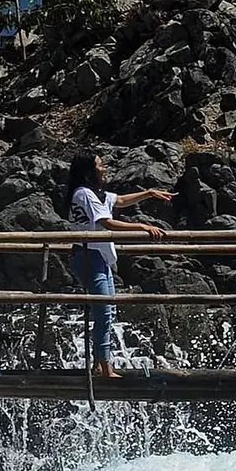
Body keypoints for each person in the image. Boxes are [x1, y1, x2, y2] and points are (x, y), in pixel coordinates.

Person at [65, 153, 173, 378]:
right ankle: (105, 367)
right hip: (89, 256)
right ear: (88, 171)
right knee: (104, 310)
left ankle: (99, 363)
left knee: (108, 310)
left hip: (98, 256)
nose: (104, 169)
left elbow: (120, 201)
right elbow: (106, 221)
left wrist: (149, 193)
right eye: (100, 165)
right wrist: (142, 226)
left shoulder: (96, 194)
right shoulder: (84, 194)